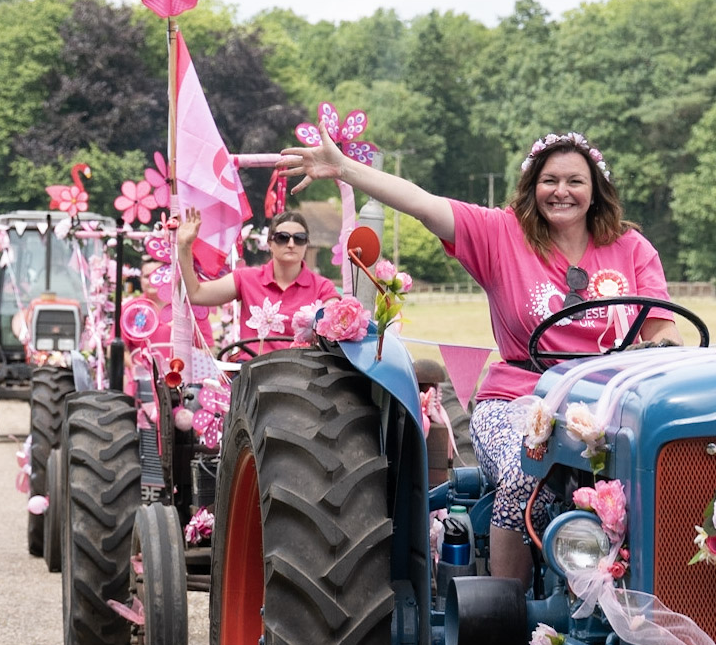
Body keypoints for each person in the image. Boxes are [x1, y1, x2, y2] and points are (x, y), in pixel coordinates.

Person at [281, 128, 679, 582]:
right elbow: (422, 203)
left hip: (606, 407)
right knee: (523, 474)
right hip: (518, 400)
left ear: (595, 190)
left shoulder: (630, 248)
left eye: (575, 181)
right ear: (532, 187)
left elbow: (662, 329)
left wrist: (660, 346)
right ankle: (507, 622)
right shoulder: (501, 234)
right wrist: (346, 169)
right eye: (549, 180)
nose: (561, 192)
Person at [175, 207, 336, 349]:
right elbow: (195, 293)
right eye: (283, 237)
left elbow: (337, 322)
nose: (291, 244)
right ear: (270, 243)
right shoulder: (246, 278)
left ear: (306, 244)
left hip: (303, 376)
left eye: (299, 238)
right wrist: (184, 247)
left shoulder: (323, 287)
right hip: (252, 374)